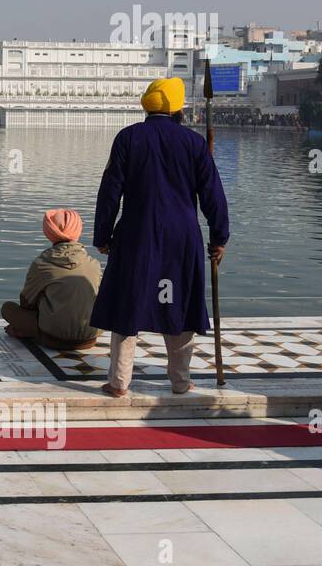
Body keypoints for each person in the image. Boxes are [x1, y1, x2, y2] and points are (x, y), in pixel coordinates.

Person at [89, 77, 229, 397]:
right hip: (182, 237)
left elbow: (110, 191)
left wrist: (103, 233)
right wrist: (219, 236)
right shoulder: (193, 143)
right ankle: (180, 381)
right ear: (179, 108)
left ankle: (118, 382)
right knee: (178, 303)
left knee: (129, 304)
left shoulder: (128, 138)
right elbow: (213, 195)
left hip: (137, 234)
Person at [0, 209, 102, 350]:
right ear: (78, 230)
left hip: (53, 338)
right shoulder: (94, 263)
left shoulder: (42, 263)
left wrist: (23, 324)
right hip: (90, 337)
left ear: (48, 232)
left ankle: (26, 331)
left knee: (7, 308)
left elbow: (27, 303)